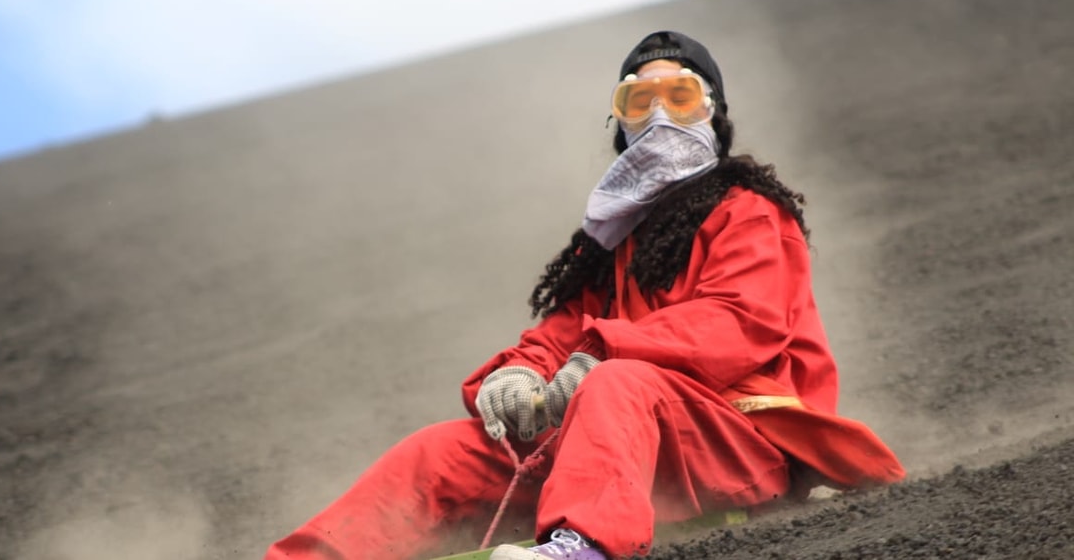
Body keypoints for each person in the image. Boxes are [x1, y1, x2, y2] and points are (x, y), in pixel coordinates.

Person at [263, 31, 905, 560]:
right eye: (638, 99)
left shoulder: (750, 212)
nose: (658, 114)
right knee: (441, 451)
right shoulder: (613, 244)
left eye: (680, 96)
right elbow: (562, 332)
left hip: (740, 445)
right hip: (614, 453)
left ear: (714, 115)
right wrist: (513, 374)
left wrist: (604, 354)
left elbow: (740, 323)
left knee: (618, 383)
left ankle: (581, 549)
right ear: (618, 121)